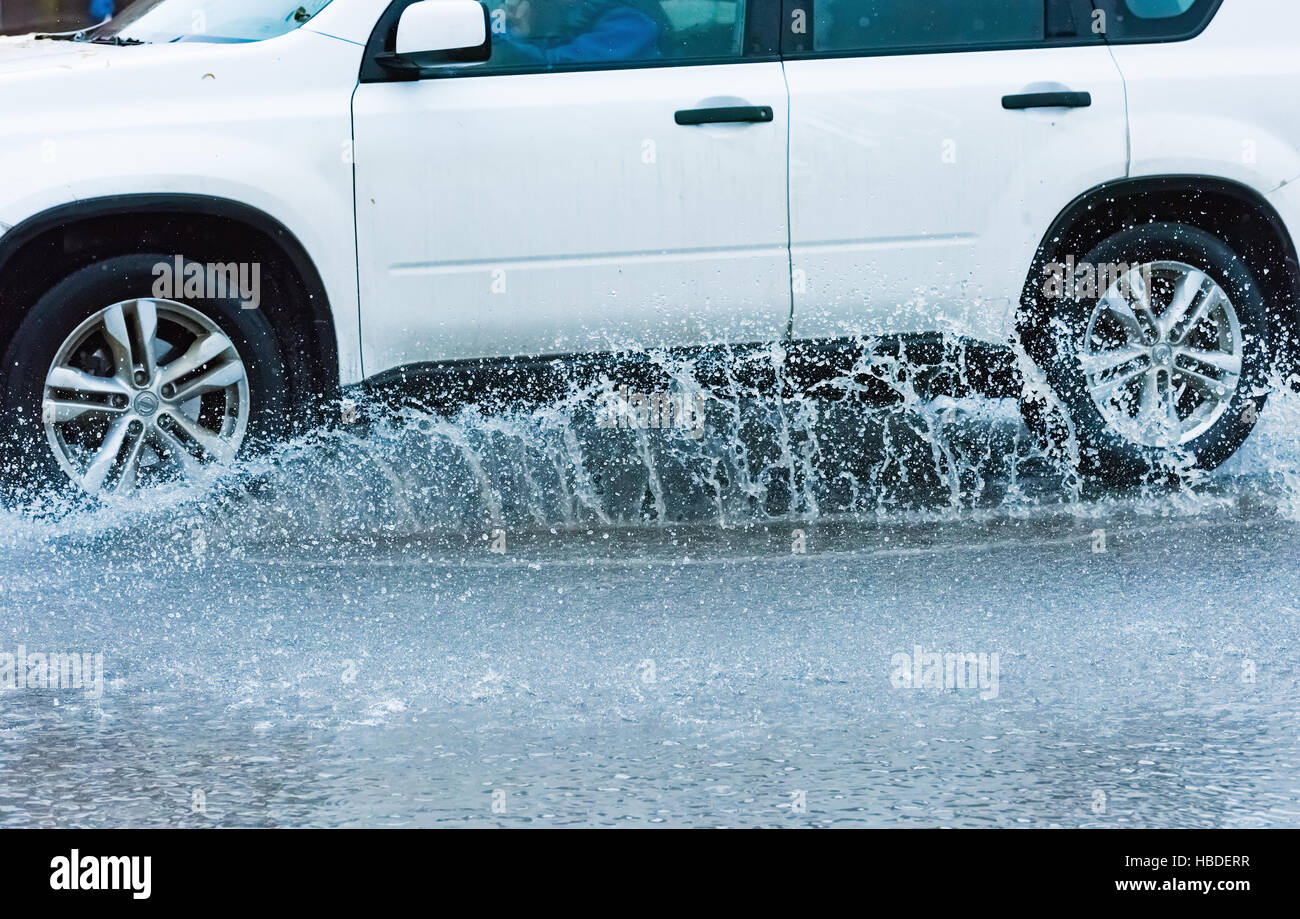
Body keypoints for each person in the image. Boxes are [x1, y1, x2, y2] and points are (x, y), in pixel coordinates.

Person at [497, 0, 670, 66]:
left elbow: (561, 64)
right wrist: (520, 33)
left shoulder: (631, 20)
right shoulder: (583, 9)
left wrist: (506, 47)